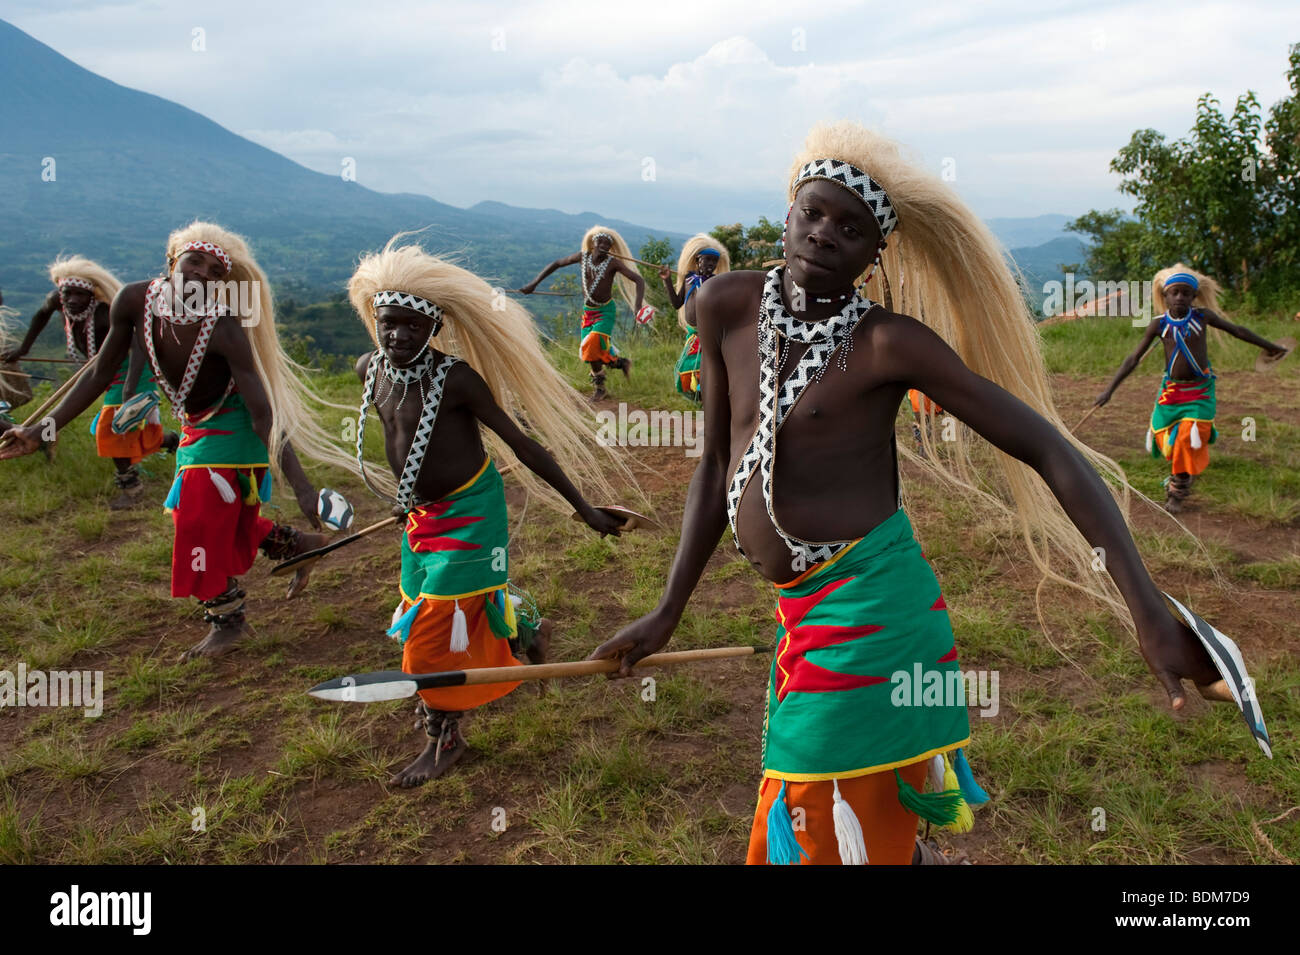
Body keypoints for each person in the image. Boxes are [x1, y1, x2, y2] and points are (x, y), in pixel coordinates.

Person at [589, 122, 1235, 866]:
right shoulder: (724, 307)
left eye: (852, 228)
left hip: (877, 613)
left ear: (873, 255)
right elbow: (713, 466)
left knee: (807, 820)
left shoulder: (888, 344)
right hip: (800, 615)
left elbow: (1049, 450)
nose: (826, 234)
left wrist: (1147, 609)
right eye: (815, 212)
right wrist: (668, 609)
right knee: (850, 821)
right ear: (788, 211)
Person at [1, 223, 358, 659]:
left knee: (195, 517)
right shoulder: (134, 300)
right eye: (195, 262)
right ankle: (299, 546)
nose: (201, 275)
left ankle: (229, 620)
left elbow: (263, 412)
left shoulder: (225, 327)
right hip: (193, 423)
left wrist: (302, 486)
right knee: (202, 514)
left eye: (214, 272)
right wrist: (42, 430)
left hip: (236, 427)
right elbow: (98, 373)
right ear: (172, 262)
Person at [349, 237, 631, 785]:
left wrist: (584, 510)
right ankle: (525, 631)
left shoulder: (455, 379)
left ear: (435, 329)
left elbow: (524, 446)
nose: (399, 335)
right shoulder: (370, 370)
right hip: (419, 517)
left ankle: (444, 738)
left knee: (433, 629)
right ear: (375, 322)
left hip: (473, 513)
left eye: (413, 326)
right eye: (389, 323)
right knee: (419, 609)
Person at [1094, 265, 1288, 513]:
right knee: (1168, 440)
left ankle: (1177, 490)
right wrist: (1109, 390)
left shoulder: (1202, 317)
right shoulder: (1158, 325)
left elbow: (1237, 330)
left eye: (1185, 293)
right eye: (1174, 293)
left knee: (1187, 436)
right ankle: (1184, 470)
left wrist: (1271, 347)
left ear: (1194, 297)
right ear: (1165, 297)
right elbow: (1133, 359)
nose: (1179, 298)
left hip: (1200, 392)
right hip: (1171, 393)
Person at [0, 257, 177, 507]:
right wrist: (23, 349)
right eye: (67, 293)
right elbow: (41, 316)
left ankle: (131, 488)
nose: (72, 300)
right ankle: (170, 441)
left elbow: (139, 343)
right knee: (128, 424)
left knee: (113, 426)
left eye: (79, 294)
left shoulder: (106, 312)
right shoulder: (57, 301)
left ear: (92, 295)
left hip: (132, 367)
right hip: (102, 368)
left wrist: (130, 388)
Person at [520, 226, 645, 400]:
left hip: (605, 312)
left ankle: (601, 388)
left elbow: (638, 280)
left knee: (592, 344)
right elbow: (557, 263)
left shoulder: (613, 263)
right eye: (600, 242)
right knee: (591, 353)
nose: (603, 245)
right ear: (593, 243)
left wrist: (637, 306)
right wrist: (534, 283)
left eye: (607, 244)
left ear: (610, 248)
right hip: (588, 312)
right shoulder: (582, 257)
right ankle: (618, 366)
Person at [661, 235, 730, 402]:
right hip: (693, 335)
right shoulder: (688, 279)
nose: (711, 265)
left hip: (710, 334)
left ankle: (712, 407)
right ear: (698, 260)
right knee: (688, 372)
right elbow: (677, 303)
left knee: (708, 373)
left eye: (714, 262)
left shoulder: (716, 282)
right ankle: (704, 404)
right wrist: (668, 281)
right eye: (707, 260)